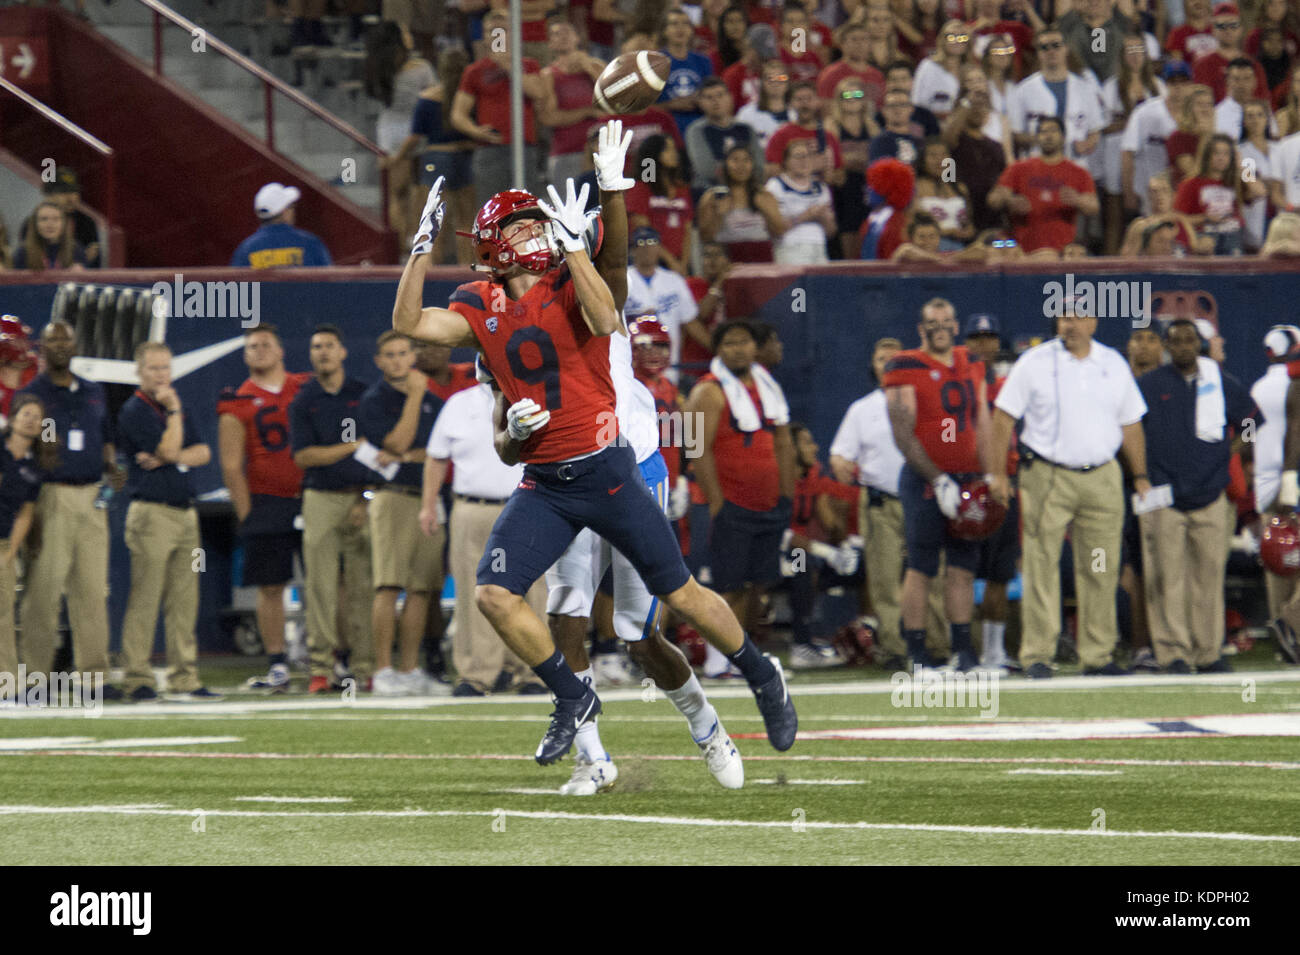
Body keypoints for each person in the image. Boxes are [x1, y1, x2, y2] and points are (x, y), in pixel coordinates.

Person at [392, 172, 797, 765]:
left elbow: (607, 315)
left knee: (676, 594)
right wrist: (419, 251)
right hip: (546, 485)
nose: (537, 232)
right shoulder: (478, 307)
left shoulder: (569, 283)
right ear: (493, 243)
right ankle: (572, 699)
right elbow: (410, 326)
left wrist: (586, 229)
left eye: (537, 223)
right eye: (524, 225)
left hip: (608, 470)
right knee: (496, 595)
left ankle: (763, 675)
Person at [989, 300, 1151, 678]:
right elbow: (1003, 417)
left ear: (1093, 322)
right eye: (1063, 318)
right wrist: (997, 473)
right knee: (1041, 564)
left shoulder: (1113, 364)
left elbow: (1131, 424)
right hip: (1047, 476)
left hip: (1102, 478)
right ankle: (1038, 655)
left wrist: (1140, 474)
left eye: (1077, 317)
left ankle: (1097, 654)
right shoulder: (1035, 362)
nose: (1069, 325)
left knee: (1099, 563)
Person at [1138, 319, 1257, 674]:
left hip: (1211, 491)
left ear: (1199, 344)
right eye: (1177, 341)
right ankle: (1173, 653)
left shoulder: (1218, 381)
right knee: (1166, 579)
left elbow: (1252, 422)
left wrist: (1229, 452)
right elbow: (1129, 429)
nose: (1184, 347)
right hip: (1163, 495)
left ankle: (1208, 652)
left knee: (1208, 577)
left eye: (1191, 341)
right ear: (1166, 346)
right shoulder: (1148, 385)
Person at [883, 298, 991, 672]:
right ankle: (917, 655)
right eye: (933, 322)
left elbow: (984, 420)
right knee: (921, 567)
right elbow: (903, 432)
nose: (940, 327)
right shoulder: (904, 364)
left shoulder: (972, 362)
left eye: (947, 321)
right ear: (921, 328)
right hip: (925, 481)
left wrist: (990, 473)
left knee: (962, 568)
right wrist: (938, 479)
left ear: (956, 325)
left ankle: (963, 652)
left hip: (969, 479)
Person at [422, 371, 546, 696]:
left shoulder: (534, 399)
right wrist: (428, 505)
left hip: (527, 504)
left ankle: (532, 671)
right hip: (471, 508)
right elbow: (436, 458)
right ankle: (477, 674)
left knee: (533, 591)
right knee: (471, 593)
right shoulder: (458, 404)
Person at [17, 322, 123, 699]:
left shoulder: (93, 391)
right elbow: (27, 442)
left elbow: (106, 437)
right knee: (43, 590)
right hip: (53, 494)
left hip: (93, 497)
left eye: (66, 339)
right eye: (53, 340)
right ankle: (34, 678)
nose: (60, 345)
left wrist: (113, 468)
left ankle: (94, 676)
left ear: (77, 344)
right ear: (42, 348)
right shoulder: (32, 394)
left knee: (93, 592)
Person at [117, 343, 220, 702]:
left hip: (185, 513)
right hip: (152, 514)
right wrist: (174, 417)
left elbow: (203, 453)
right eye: (153, 369)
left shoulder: (175, 406)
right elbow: (169, 451)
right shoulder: (135, 410)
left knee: (184, 599)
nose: (161, 375)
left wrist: (173, 450)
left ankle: (183, 677)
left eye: (166, 368)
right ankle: (138, 677)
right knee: (145, 597)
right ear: (139, 372)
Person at [685, 321, 796, 643]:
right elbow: (695, 448)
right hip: (731, 506)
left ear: (755, 347)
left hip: (769, 504)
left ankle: (744, 651)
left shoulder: (768, 386)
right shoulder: (707, 390)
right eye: (730, 343)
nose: (738, 349)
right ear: (718, 350)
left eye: (744, 342)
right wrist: (718, 502)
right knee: (729, 586)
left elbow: (784, 443)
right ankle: (721, 657)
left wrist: (786, 494)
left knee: (759, 584)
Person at [217, 325, 311, 693]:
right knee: (271, 585)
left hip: (311, 494)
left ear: (280, 350)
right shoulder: (237, 400)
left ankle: (327, 659)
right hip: (266, 501)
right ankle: (277, 663)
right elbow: (230, 465)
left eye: (265, 344)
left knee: (325, 583)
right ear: (244, 355)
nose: (258, 351)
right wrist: (247, 513)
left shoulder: (303, 387)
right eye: (251, 346)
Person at [288, 325, 375, 695]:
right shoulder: (303, 400)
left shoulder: (363, 395)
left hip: (361, 498)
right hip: (320, 498)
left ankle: (364, 668)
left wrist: (364, 497)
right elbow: (304, 456)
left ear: (342, 352)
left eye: (328, 346)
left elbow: (378, 452)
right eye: (316, 347)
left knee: (362, 587)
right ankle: (321, 668)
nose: (322, 352)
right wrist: (350, 447)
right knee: (320, 587)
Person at [358, 331, 445, 696]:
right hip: (391, 498)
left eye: (403, 353)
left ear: (414, 356)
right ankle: (382, 671)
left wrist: (408, 455)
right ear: (379, 361)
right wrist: (413, 397)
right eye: (389, 355)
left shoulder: (435, 402)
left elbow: (439, 452)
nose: (397, 360)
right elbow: (395, 443)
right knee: (389, 585)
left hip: (426, 498)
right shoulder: (373, 400)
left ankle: (409, 670)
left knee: (421, 588)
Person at [961, 313, 1020, 671]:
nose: (983, 344)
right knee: (961, 572)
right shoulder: (958, 384)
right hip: (967, 485)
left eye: (989, 337)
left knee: (999, 573)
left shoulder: (1010, 385)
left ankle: (994, 653)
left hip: (1003, 486)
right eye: (976, 337)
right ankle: (963, 650)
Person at [386, 48, 476, 263]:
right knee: (466, 220)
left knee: (434, 223)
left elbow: (415, 137)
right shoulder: (470, 99)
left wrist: (397, 158)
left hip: (435, 160)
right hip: (464, 157)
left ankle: (433, 271)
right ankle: (467, 268)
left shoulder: (428, 99)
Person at [450, 8, 546, 207]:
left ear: (514, 33)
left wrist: (508, 64)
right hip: (490, 150)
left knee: (526, 209)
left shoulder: (529, 65)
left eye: (503, 31)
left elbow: (538, 92)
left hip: (524, 148)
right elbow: (458, 114)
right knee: (492, 210)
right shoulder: (474, 71)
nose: (497, 37)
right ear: (485, 37)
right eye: (492, 32)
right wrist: (476, 131)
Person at [988, 115, 1100, 254]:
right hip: (1020, 252)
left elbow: (1094, 206)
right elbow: (993, 200)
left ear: (1063, 137)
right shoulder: (1018, 168)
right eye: (1043, 132)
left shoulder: (1079, 172)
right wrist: (1009, 200)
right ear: (1037, 138)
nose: (1048, 136)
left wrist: (1077, 200)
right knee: (994, 246)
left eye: (1053, 131)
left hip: (1062, 252)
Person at [0, 395, 51, 697]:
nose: (31, 419)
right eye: (26, 413)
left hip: (4, 541)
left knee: (5, 612)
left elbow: (26, 512)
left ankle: (7, 682)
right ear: (14, 417)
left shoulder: (35, 466)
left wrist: (9, 552)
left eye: (37, 416)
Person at [368, 21, 435, 245]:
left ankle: (397, 244)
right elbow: (433, 95)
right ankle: (415, 238)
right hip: (415, 128)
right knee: (418, 187)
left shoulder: (376, 66)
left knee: (396, 193)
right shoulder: (420, 68)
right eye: (405, 32)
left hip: (388, 130)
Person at [1099, 35, 1165, 252]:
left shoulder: (1157, 86)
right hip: (1115, 152)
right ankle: (1111, 262)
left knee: (1149, 213)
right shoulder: (1111, 86)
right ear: (1122, 56)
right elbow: (1102, 126)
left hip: (1147, 156)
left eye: (1139, 50)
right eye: (1130, 50)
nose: (1135, 56)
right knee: (1115, 216)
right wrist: (1131, 123)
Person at [624, 226, 709, 377]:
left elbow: (690, 321)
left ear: (659, 248)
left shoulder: (674, 280)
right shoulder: (621, 280)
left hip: (669, 367)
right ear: (632, 250)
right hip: (631, 366)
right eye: (641, 244)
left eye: (652, 243)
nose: (647, 249)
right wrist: (635, 318)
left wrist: (715, 347)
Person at [540, 17, 606, 188]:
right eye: (556, 34)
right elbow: (549, 117)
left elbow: (614, 100)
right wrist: (587, 112)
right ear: (550, 43)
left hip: (602, 151)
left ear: (577, 38)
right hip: (566, 152)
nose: (562, 36)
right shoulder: (548, 75)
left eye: (567, 32)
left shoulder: (597, 67)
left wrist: (589, 69)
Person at [1122, 60, 1194, 216]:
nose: (1178, 86)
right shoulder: (1145, 112)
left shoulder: (1200, 113)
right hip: (1152, 192)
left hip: (1187, 192)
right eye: (1173, 81)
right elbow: (1127, 152)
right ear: (1166, 84)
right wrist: (1129, 192)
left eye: (1183, 81)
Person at [1174, 131, 1261, 254]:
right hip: (1206, 237)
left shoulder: (1235, 182)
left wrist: (1242, 167)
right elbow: (1178, 219)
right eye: (1216, 153)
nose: (1221, 158)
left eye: (1226, 154)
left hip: (1233, 236)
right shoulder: (1190, 184)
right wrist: (1204, 218)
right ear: (1207, 155)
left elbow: (1260, 192)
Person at [696, 145, 782, 262]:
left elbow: (779, 232)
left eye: (746, 160)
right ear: (725, 165)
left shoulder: (765, 195)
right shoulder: (712, 197)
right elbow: (704, 237)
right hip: (727, 259)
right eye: (735, 160)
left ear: (752, 165)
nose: (741, 165)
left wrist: (766, 211)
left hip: (762, 256)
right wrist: (719, 215)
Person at [626, 135, 695, 274]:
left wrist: (683, 263)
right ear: (654, 154)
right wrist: (671, 262)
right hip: (649, 260)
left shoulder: (682, 188)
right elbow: (643, 230)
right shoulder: (641, 188)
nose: (674, 153)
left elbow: (688, 230)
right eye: (668, 150)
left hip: (681, 262)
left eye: (674, 149)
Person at [684, 77, 766, 190]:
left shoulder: (746, 128)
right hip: (710, 191)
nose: (715, 101)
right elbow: (707, 170)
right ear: (701, 103)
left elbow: (759, 168)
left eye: (720, 95)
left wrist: (725, 167)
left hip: (747, 191)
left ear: (730, 98)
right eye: (709, 97)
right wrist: (743, 169)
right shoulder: (696, 130)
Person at [765, 137, 836, 264]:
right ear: (786, 161)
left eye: (808, 156)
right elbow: (774, 229)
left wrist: (824, 219)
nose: (804, 161)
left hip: (819, 248)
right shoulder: (775, 186)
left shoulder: (821, 188)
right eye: (798, 156)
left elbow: (831, 232)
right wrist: (806, 216)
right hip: (790, 248)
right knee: (798, 285)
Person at [230, 183, 332, 268]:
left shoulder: (245, 249)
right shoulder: (310, 243)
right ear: (284, 212)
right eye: (291, 207)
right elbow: (331, 283)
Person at [764, 81, 845, 184]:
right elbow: (770, 172)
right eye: (799, 99)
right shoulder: (781, 135)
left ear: (817, 102)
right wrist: (809, 166)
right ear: (791, 103)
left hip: (821, 196)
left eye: (809, 99)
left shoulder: (828, 136)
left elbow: (841, 176)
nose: (805, 103)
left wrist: (830, 175)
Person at [1194, 4, 1271, 102]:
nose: (1228, 30)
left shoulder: (1254, 66)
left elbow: (1264, 101)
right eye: (1221, 26)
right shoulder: (1203, 65)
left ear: (1241, 29)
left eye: (1233, 25)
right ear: (1213, 29)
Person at [660, 5, 716, 137]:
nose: (680, 29)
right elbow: (644, 108)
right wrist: (670, 105)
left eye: (685, 24)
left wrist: (701, 100)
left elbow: (713, 95)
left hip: (701, 130)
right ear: (664, 31)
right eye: (674, 24)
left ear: (691, 30)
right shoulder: (655, 63)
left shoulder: (704, 61)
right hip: (667, 131)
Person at [913, 137, 976, 250]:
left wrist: (968, 231)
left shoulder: (960, 188)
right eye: (933, 156)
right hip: (929, 248)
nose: (939, 160)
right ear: (922, 160)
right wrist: (947, 232)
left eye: (943, 155)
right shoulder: (915, 187)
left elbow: (969, 222)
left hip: (961, 247)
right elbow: (911, 223)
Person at [1058, 0, 1135, 84]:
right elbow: (1063, 8)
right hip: (1081, 88)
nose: (1094, 2)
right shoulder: (1070, 26)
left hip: (1116, 88)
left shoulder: (1121, 25)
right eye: (1088, 0)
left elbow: (1127, 10)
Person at [817, 21, 886, 107]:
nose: (860, 44)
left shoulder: (877, 75)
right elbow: (824, 106)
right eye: (854, 39)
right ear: (842, 44)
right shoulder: (831, 74)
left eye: (864, 39)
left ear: (870, 44)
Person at [912, 19, 972, 118]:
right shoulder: (928, 66)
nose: (957, 41)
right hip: (932, 124)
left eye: (962, 37)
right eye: (951, 37)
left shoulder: (971, 70)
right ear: (942, 40)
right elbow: (917, 102)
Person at [13, 201, 85, 271]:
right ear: (35, 224)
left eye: (56, 219)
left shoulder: (75, 249)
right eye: (44, 219)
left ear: (64, 223)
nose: (50, 224)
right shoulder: (23, 252)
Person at [735, 59, 792, 148]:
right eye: (770, 78)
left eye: (781, 78)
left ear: (788, 82)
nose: (775, 83)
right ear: (762, 82)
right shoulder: (746, 115)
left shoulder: (796, 114)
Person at [870, 87, 924, 165]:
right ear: (884, 111)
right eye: (892, 105)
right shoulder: (880, 142)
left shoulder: (919, 140)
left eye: (903, 105)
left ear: (911, 109)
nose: (897, 109)